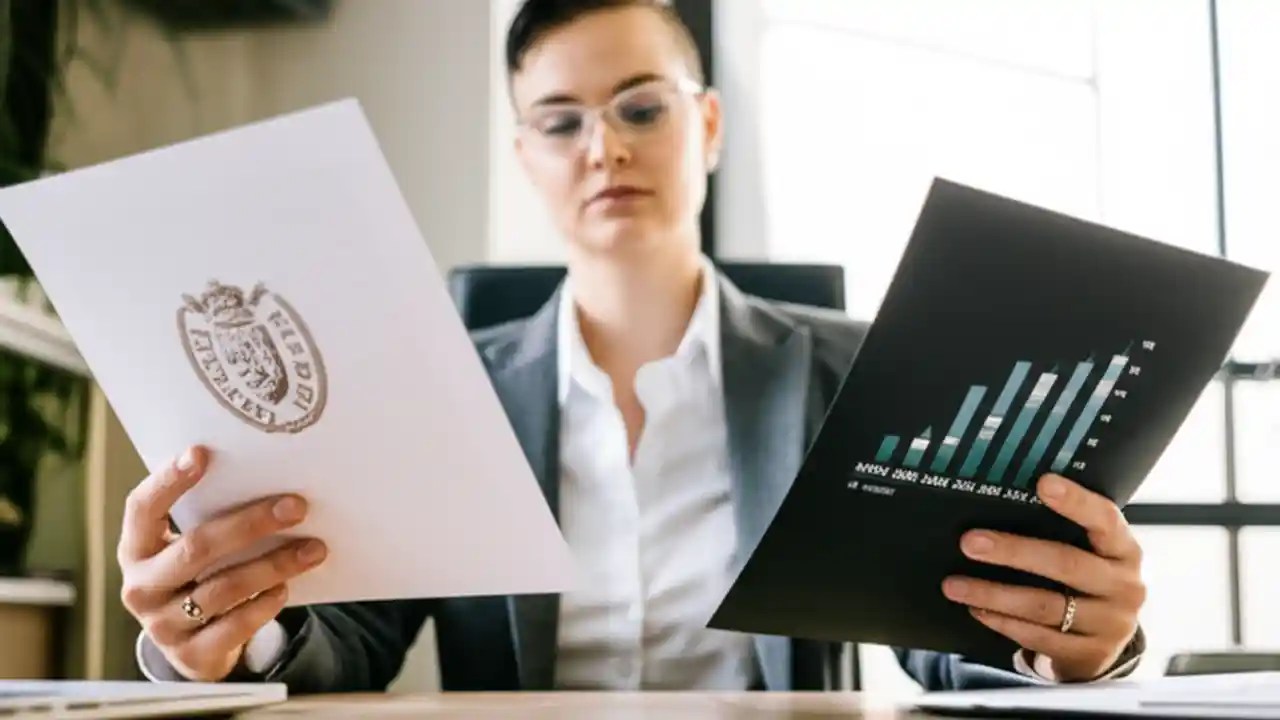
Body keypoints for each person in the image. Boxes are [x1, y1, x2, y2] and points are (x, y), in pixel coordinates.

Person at [118, 0, 1148, 693]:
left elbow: (952, 648)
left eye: (638, 108)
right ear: (525, 155)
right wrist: (231, 634)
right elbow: (355, 646)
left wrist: (1073, 648)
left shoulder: (854, 375)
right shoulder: (444, 389)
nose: (601, 147)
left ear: (705, 126)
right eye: (559, 122)